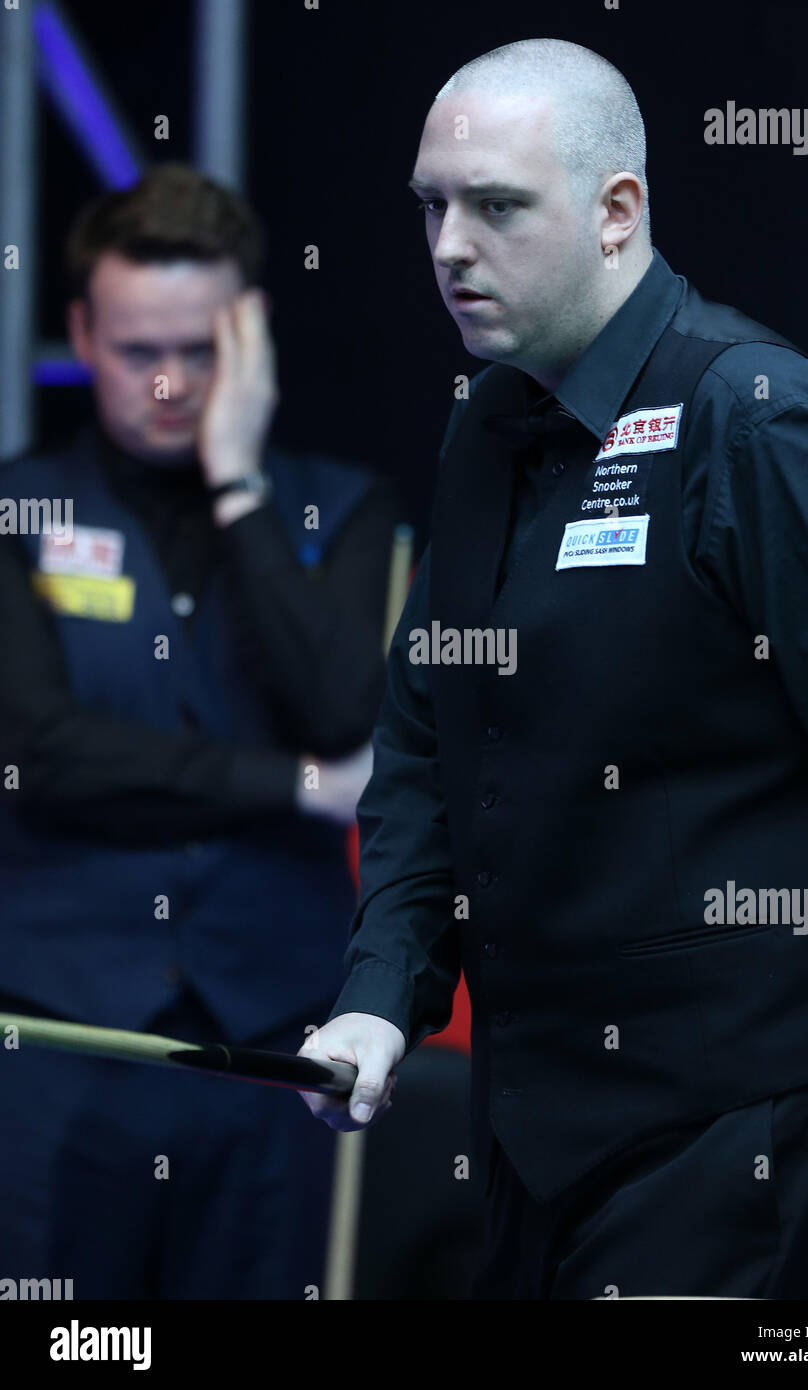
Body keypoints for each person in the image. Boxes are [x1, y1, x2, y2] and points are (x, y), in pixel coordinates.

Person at [299, 40, 808, 1301]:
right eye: (431, 205)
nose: (449, 246)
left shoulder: (757, 418)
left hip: (747, 1147)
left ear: (615, 210)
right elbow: (428, 752)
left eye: (496, 206)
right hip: (533, 1147)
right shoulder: (485, 420)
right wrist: (380, 994)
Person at [0, 163, 398, 1298]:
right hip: (57, 1040)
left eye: (202, 348)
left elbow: (347, 715)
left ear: (252, 331)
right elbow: (46, 758)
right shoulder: (16, 511)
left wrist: (238, 484)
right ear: (79, 329)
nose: (171, 381)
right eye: (135, 351)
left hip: (274, 1049)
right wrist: (292, 786)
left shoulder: (342, 508)